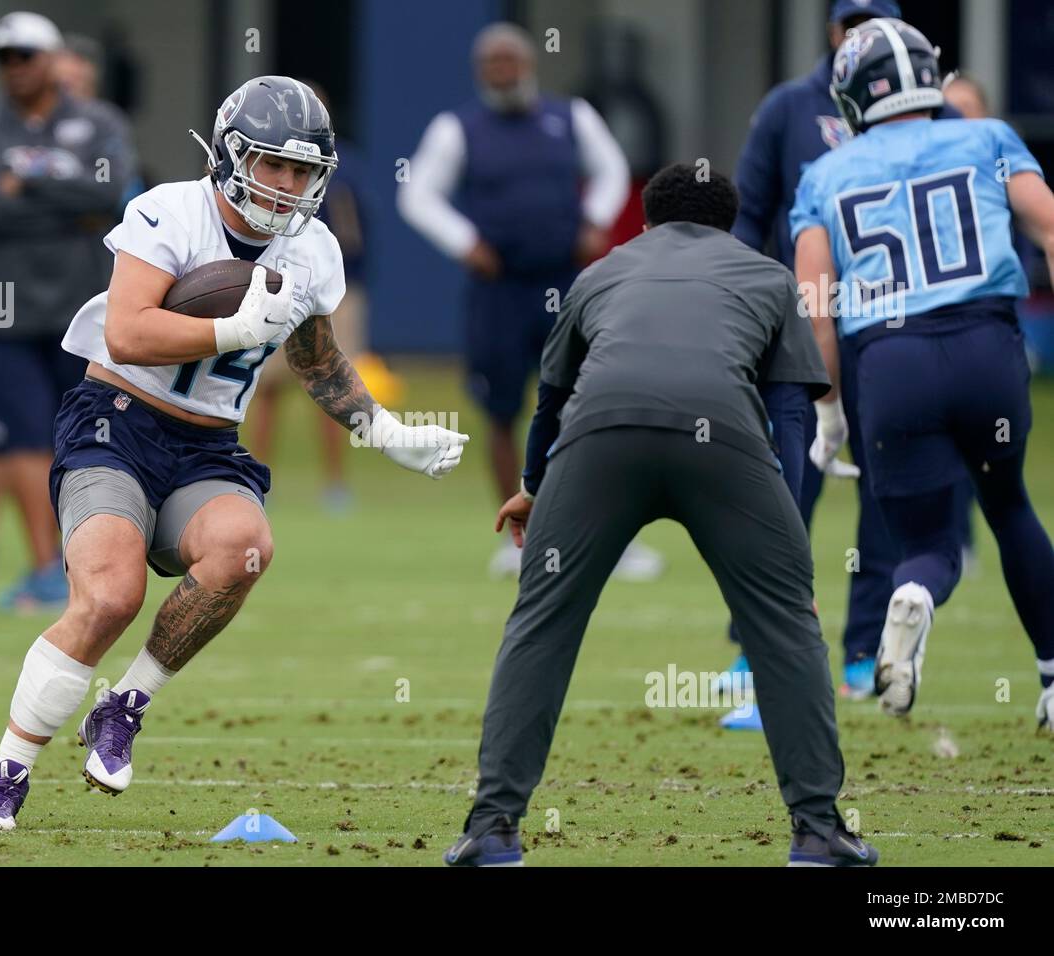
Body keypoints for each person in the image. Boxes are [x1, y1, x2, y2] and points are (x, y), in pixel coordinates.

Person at [0, 76, 470, 830]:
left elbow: (317, 361)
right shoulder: (170, 209)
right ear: (233, 155)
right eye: (275, 165)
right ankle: (7, 770)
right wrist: (230, 330)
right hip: (118, 419)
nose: (290, 185)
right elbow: (128, 333)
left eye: (304, 171)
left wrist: (388, 434)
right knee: (109, 595)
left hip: (208, 444)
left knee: (244, 547)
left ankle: (124, 706)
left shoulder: (312, 248)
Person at [444, 163, 875, 867]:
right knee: (785, 627)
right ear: (729, 227)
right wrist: (787, 524)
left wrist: (531, 484)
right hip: (726, 443)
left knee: (541, 622)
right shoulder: (765, 273)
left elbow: (552, 395)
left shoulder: (602, 272)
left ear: (645, 224)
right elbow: (792, 407)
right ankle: (819, 831)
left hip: (598, 441)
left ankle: (492, 828)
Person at [792, 18, 1054, 724]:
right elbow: (1051, 227)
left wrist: (827, 411)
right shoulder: (985, 137)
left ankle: (913, 597)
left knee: (924, 542)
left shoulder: (824, 174)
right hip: (985, 345)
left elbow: (816, 306)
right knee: (1009, 506)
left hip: (889, 359)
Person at [728, 0, 975, 699]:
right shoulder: (788, 107)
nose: (861, 33)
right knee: (783, 484)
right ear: (832, 31)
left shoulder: (941, 116)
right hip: (803, 323)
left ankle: (866, 648)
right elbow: (751, 210)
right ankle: (757, 644)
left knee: (887, 492)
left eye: (875, 21)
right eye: (851, 20)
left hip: (897, 325)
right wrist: (743, 294)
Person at [397, 22, 662, 581]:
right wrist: (464, 242)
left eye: (510, 60)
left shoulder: (571, 117)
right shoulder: (459, 128)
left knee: (586, 399)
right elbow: (417, 193)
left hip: (566, 285)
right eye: (492, 61)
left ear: (529, 64)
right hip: (499, 290)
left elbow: (613, 169)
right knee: (500, 410)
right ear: (479, 70)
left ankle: (602, 533)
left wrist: (595, 220)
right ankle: (520, 536)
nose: (503, 70)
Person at [0, 11, 136, 608]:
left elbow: (107, 198)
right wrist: (64, 204)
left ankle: (82, 559)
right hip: (2, 311)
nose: (14, 68)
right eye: (4, 58)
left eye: (25, 55)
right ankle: (44, 564)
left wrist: (27, 186)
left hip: (78, 310)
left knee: (82, 439)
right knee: (21, 443)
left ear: (52, 59)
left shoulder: (97, 122)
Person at [248, 80, 376, 513]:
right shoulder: (264, 160)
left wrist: (347, 285)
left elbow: (358, 235)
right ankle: (258, 482)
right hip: (272, 285)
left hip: (332, 294)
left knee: (332, 386)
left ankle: (335, 485)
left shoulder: (346, 167)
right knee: (264, 388)